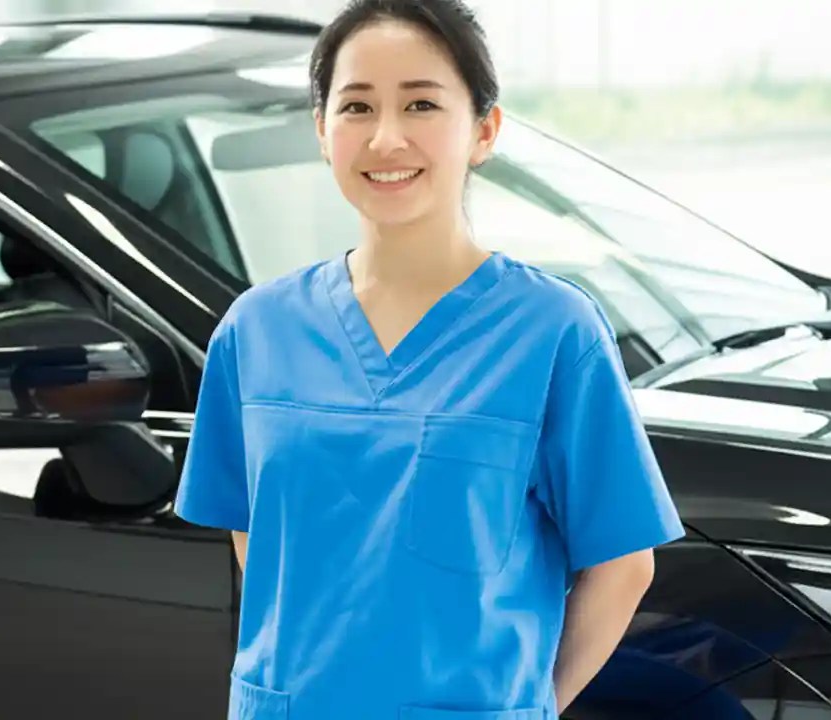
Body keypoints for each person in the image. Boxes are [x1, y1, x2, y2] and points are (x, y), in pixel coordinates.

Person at [174, 1, 684, 717]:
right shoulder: (257, 330)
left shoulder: (552, 333)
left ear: (483, 130)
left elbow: (623, 567)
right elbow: (256, 536)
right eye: (356, 106)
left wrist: (527, 706)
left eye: (420, 103)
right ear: (322, 131)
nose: (386, 138)